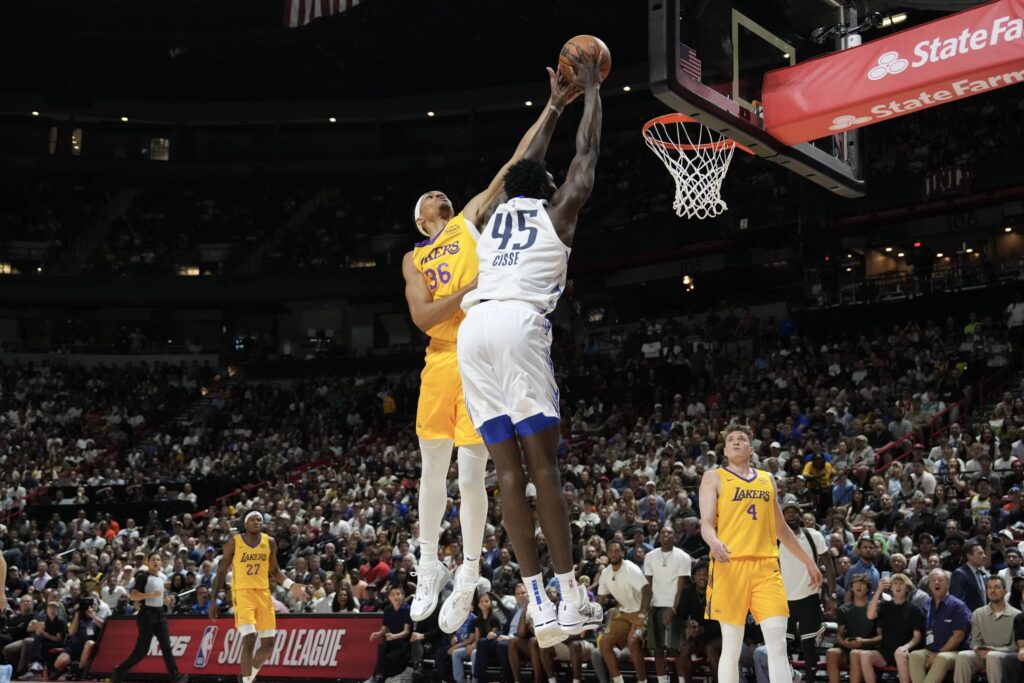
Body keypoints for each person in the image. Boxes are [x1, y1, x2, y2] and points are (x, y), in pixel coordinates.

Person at [405, 62, 581, 635]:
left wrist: (552, 108)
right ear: (419, 220)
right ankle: (429, 563)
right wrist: (464, 289)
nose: (437, 195)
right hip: (445, 356)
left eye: (439, 194)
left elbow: (514, 164)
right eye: (429, 198)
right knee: (436, 468)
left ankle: (468, 574)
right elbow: (423, 317)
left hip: (480, 343)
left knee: (477, 470)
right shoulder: (414, 259)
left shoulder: (469, 219)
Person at [455, 45, 603, 645]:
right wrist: (592, 90)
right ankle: (570, 595)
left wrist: (552, 106)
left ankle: (537, 600)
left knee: (508, 474)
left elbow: (523, 161)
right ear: (545, 188)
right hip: (518, 323)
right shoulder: (558, 212)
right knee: (545, 468)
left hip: (474, 332)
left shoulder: (488, 215)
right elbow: (585, 156)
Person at [699, 425, 823, 683]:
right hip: (729, 565)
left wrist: (808, 562)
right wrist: (713, 541)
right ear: (724, 449)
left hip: (766, 567)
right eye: (730, 439)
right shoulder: (714, 477)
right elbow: (706, 522)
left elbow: (781, 528)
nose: (735, 442)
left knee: (778, 645)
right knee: (731, 645)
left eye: (741, 439)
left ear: (751, 449)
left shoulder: (767, 479)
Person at [209, 511, 308, 683]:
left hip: (263, 594)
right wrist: (213, 601)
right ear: (245, 524)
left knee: (268, 644)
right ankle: (247, 681)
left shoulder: (269, 542)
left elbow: (275, 571)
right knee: (250, 638)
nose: (257, 522)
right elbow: (221, 572)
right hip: (243, 593)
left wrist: (291, 586)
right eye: (253, 519)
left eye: (259, 520)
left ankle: (247, 677)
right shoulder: (234, 543)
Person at [777, 501, 836, 683]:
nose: (792, 515)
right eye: (787, 513)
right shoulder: (774, 538)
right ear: (782, 517)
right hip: (782, 599)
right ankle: (788, 678)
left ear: (801, 516)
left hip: (809, 597)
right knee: (782, 647)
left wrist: (832, 595)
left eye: (795, 512)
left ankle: (810, 680)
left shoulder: (814, 536)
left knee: (809, 646)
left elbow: (828, 564)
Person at [111, 552, 187, 683]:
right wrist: (150, 595)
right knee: (142, 650)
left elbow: (159, 597)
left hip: (160, 615)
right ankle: (120, 671)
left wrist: (166, 601)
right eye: (153, 559)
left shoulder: (161, 579)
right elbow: (134, 596)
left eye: (158, 559)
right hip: (146, 615)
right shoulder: (143, 577)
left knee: (166, 646)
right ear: (148, 562)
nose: (156, 561)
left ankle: (175, 676)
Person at [596, 541, 651, 683]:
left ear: (622, 553)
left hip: (642, 612)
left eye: (616, 551)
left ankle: (642, 681)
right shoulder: (605, 573)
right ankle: (618, 680)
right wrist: (592, 615)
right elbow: (600, 599)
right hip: (625, 614)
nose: (613, 553)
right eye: (610, 551)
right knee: (604, 643)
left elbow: (647, 590)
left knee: (633, 643)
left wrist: (642, 614)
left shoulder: (630, 569)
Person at [854, 573, 924, 683]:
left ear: (907, 588)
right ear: (891, 588)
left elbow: (917, 637)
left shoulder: (914, 609)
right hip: (885, 652)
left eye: (901, 584)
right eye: (895, 583)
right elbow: (870, 615)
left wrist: (906, 647)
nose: (898, 586)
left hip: (905, 652)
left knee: (899, 654)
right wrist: (878, 591)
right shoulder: (884, 606)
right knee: (864, 655)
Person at [643, 526, 691, 683]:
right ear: (658, 536)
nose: (665, 534)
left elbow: (682, 587)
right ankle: (662, 680)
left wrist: (673, 609)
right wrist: (645, 608)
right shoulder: (650, 556)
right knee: (657, 649)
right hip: (655, 607)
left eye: (669, 532)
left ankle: (682, 680)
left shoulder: (683, 556)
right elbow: (648, 584)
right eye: (662, 532)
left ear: (675, 537)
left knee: (676, 650)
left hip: (673, 607)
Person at [908, 569, 972, 683]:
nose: (936, 582)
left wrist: (939, 654)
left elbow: (958, 636)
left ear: (948, 584)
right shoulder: (927, 604)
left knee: (942, 659)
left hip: (954, 652)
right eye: (933, 580)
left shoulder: (958, 606)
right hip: (931, 650)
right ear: (929, 585)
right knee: (915, 655)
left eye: (940, 580)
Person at [952, 575, 1019, 683]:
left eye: (997, 587)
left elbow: (1016, 646)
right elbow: (975, 641)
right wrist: (977, 649)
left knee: (992, 657)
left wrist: (994, 650)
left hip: (1004, 655)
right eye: (989, 587)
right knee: (963, 656)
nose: (992, 590)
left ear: (1005, 591)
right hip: (982, 654)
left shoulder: (1016, 615)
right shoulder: (978, 613)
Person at [826, 574, 879, 683]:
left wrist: (864, 642)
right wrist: (844, 643)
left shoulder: (874, 609)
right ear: (852, 587)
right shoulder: (843, 609)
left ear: (868, 588)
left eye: (862, 584)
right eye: (855, 583)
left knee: (856, 654)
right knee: (831, 652)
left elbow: (881, 636)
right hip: (848, 648)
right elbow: (839, 634)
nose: (859, 586)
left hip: (868, 649)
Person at [367, 587, 413, 683]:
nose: (395, 596)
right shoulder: (388, 610)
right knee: (382, 646)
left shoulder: (407, 609)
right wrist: (378, 633)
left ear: (403, 596)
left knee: (391, 656)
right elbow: (384, 628)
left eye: (398, 594)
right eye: (392, 594)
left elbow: (407, 631)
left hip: (404, 641)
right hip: (392, 640)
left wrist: (394, 636)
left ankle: (385, 677)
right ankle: (378, 675)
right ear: (389, 597)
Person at [950, 542, 988, 612]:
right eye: (980, 553)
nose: (984, 556)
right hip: (969, 619)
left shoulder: (983, 574)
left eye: (984, 553)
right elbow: (958, 602)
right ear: (969, 556)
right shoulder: (960, 574)